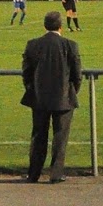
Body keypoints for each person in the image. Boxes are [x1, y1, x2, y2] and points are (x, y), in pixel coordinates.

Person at [22, 10, 82, 184]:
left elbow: (26, 72)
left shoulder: (33, 44)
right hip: (63, 97)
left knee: (38, 135)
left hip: (39, 97)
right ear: (61, 26)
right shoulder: (70, 45)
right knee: (60, 136)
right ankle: (56, 174)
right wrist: (72, 91)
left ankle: (33, 173)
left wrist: (31, 89)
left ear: (44, 26)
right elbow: (77, 74)